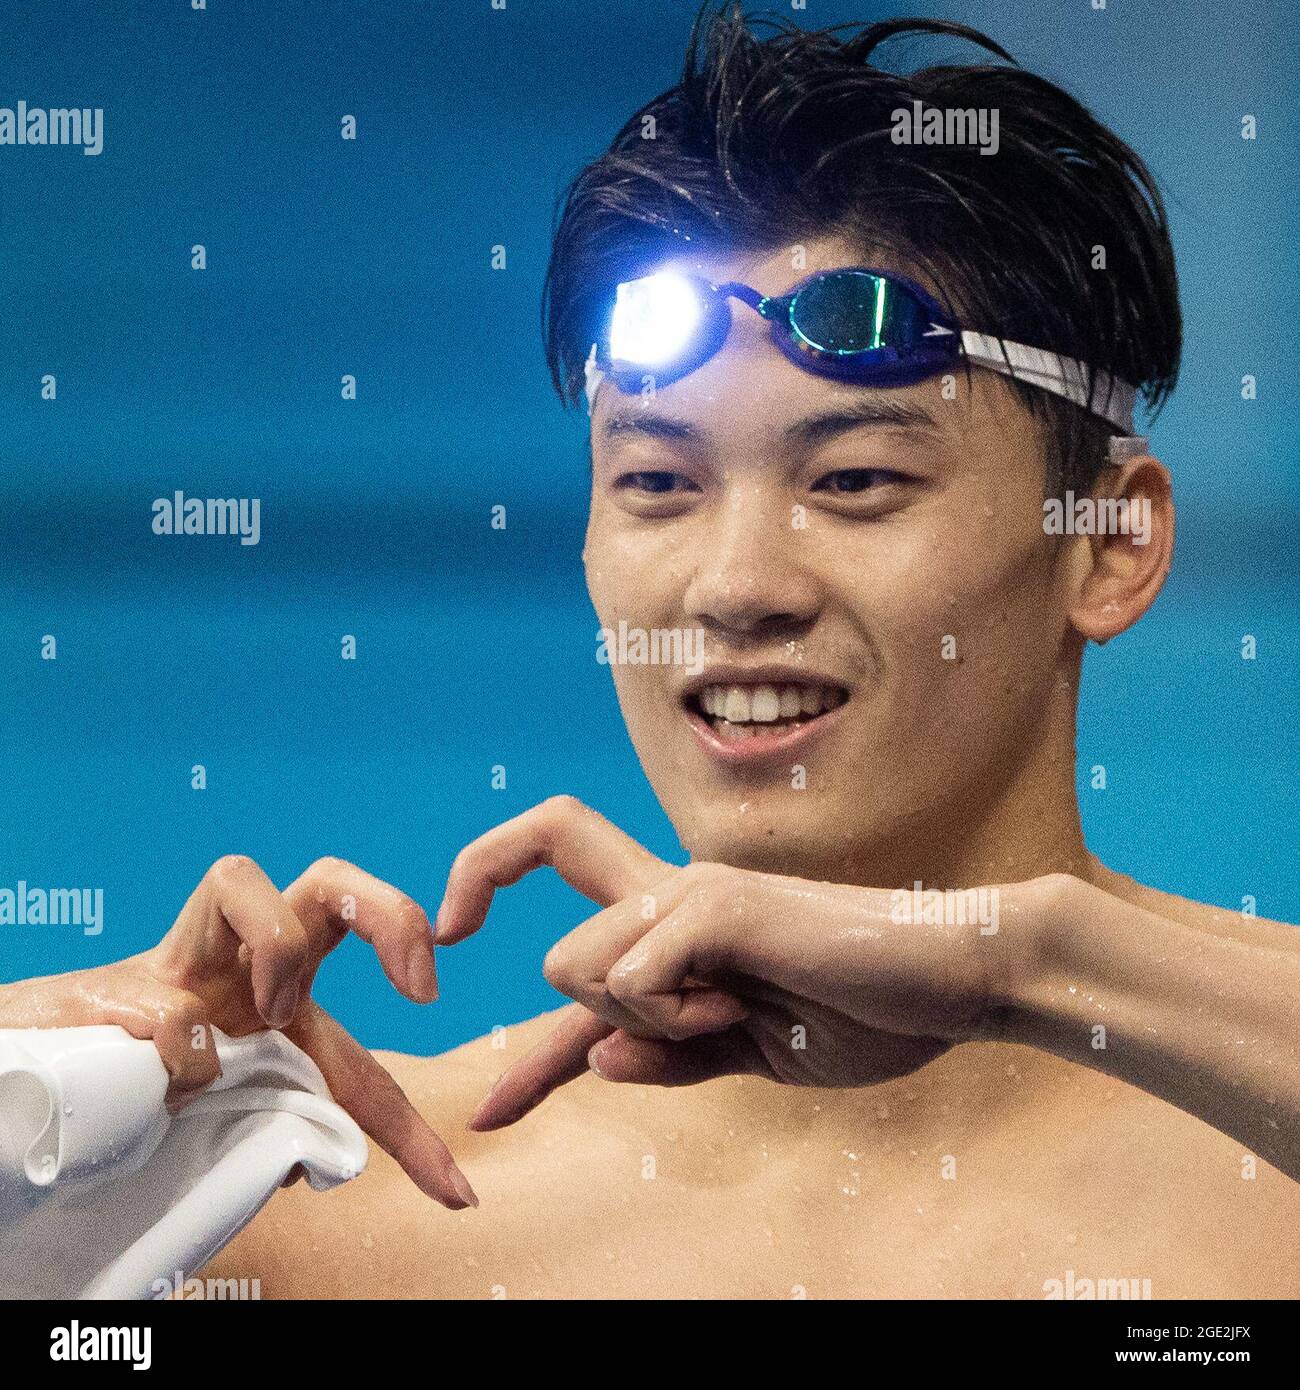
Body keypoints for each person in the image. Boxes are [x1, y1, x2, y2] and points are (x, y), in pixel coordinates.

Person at [4, 6, 1297, 1299]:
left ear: (1109, 542)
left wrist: (1027, 967)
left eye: (853, 478)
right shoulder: (348, 1218)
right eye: (659, 483)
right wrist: (34, 1102)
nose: (733, 587)